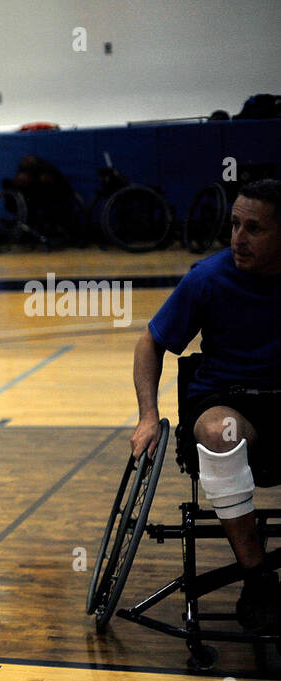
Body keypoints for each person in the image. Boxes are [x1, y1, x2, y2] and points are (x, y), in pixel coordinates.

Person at [130, 178, 281, 634]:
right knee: (220, 434)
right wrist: (147, 416)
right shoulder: (208, 278)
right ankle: (257, 578)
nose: (238, 237)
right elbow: (151, 342)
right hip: (228, 401)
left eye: (254, 228)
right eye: (235, 224)